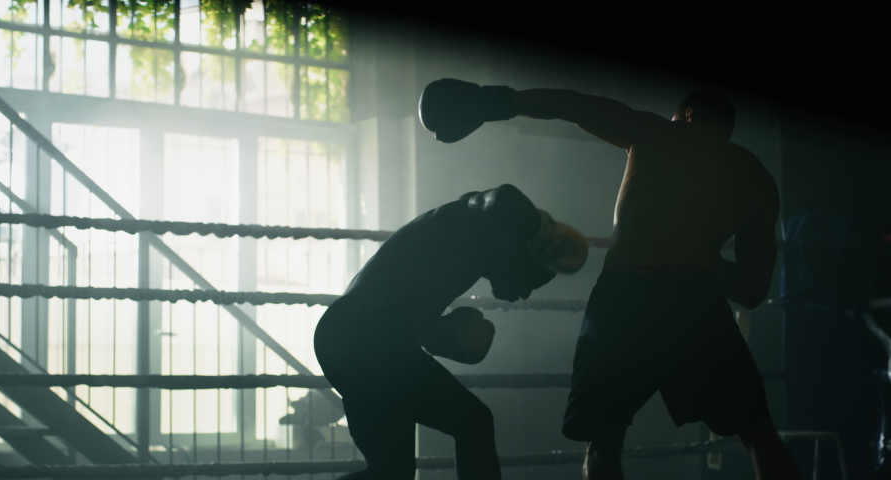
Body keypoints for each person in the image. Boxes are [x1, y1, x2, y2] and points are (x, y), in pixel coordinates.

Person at [419, 79, 800, 480]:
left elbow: (572, 102)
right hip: (695, 298)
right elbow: (754, 291)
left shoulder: (655, 131)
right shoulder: (757, 178)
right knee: (759, 435)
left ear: (687, 114)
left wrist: (494, 102)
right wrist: (704, 257)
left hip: (625, 296)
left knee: (603, 443)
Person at [314, 183, 589, 480]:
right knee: (474, 422)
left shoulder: (453, 253)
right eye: (529, 280)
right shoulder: (473, 218)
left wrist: (439, 331)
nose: (521, 293)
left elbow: (402, 308)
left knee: (390, 473)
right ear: (519, 246)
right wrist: (542, 230)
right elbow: (504, 197)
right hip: (366, 339)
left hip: (352, 339)